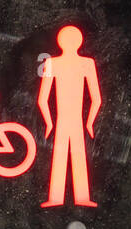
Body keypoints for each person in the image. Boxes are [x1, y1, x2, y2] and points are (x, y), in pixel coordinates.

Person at [38, 25, 101, 208]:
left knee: (61, 156)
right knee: (76, 156)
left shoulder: (53, 63)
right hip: (75, 120)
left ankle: (58, 197)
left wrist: (49, 122)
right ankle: (79, 197)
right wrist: (89, 121)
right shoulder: (86, 63)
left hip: (63, 120)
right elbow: (96, 99)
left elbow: (43, 99)